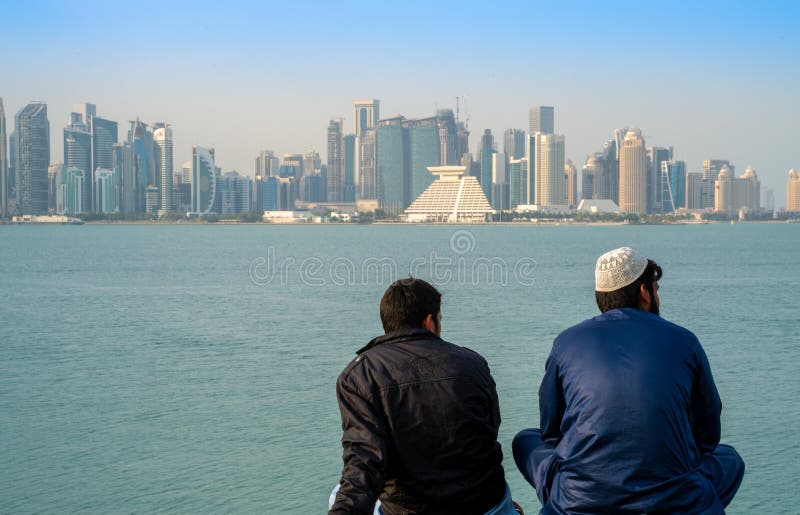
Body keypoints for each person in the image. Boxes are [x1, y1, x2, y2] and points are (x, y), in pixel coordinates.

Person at [513, 247, 744, 514]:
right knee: (729, 459)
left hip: (578, 502)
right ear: (645, 292)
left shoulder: (566, 342)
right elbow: (708, 434)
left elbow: (551, 431)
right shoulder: (684, 340)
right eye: (656, 288)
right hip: (678, 499)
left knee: (525, 440)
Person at [329, 278, 519, 515]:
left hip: (410, 509)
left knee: (337, 493)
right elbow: (491, 427)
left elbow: (364, 462)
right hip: (488, 504)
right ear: (430, 321)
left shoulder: (360, 376)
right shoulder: (473, 363)